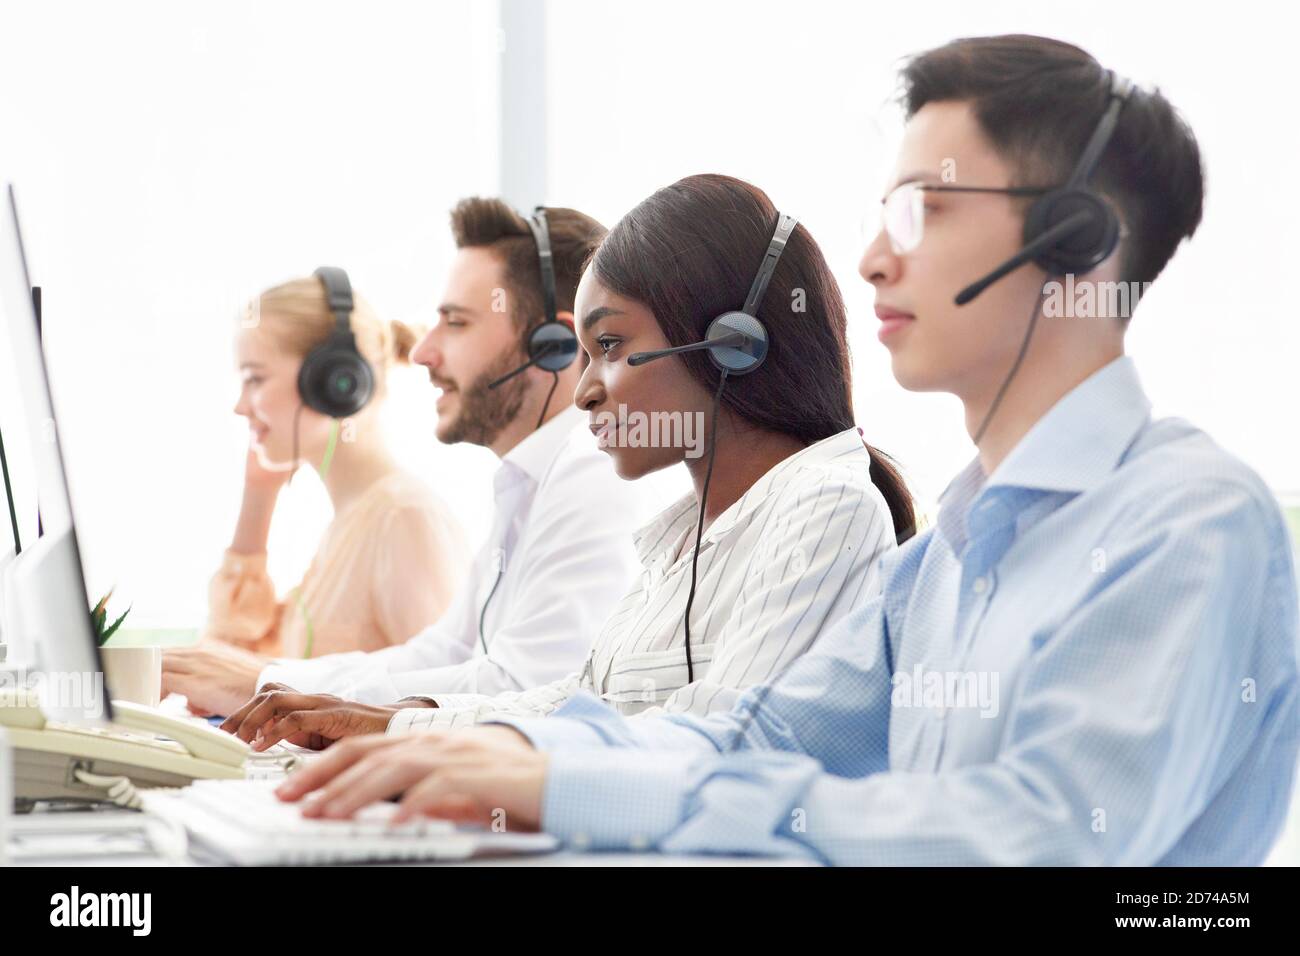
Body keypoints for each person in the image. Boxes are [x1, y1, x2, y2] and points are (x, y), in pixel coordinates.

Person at [275, 36, 1299, 867]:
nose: (870, 257)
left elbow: (1032, 838)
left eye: (925, 210)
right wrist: (479, 751)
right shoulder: (943, 559)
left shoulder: (1187, 522)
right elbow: (753, 734)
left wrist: (544, 776)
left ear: (1074, 243)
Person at [218, 173, 914, 750]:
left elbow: (725, 743)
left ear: (733, 344)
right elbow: (579, 699)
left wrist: (421, 737)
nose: (582, 392)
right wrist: (398, 724)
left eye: (609, 346)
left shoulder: (826, 506)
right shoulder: (681, 542)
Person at [164, 200, 650, 716]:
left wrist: (267, 686)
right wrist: (272, 683)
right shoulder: (528, 488)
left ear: (552, 346)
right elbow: (440, 654)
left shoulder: (594, 475)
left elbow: (528, 688)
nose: (421, 352)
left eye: (456, 323)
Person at [201, 274, 470, 665]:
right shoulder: (350, 524)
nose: (240, 406)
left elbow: (448, 706)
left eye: (255, 378)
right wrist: (257, 495)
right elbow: (226, 670)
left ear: (334, 381)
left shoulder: (403, 518)